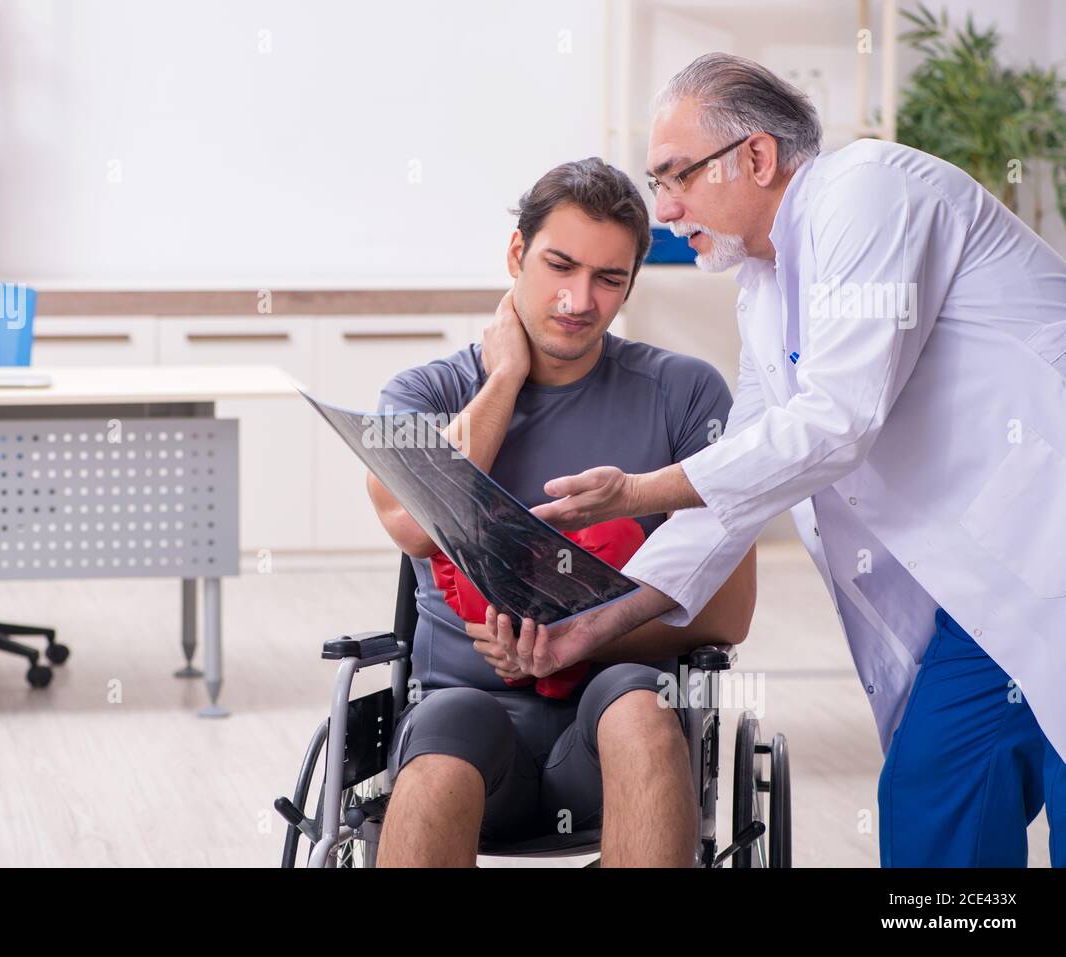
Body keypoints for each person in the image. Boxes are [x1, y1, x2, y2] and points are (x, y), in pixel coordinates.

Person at [492, 53, 1066, 867]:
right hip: (990, 593)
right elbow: (737, 484)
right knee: (933, 795)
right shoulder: (764, 289)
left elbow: (838, 419)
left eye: (674, 177)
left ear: (755, 158)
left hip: (1051, 538)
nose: (664, 208)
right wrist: (594, 624)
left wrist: (637, 489)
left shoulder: (867, 192)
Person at [366, 157, 757, 867]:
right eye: (560, 266)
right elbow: (416, 525)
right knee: (442, 748)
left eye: (609, 279)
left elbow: (729, 613)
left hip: (619, 708)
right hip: (467, 708)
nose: (580, 300)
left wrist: (577, 637)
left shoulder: (686, 394)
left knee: (640, 708)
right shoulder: (420, 394)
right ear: (517, 254)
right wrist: (505, 381)